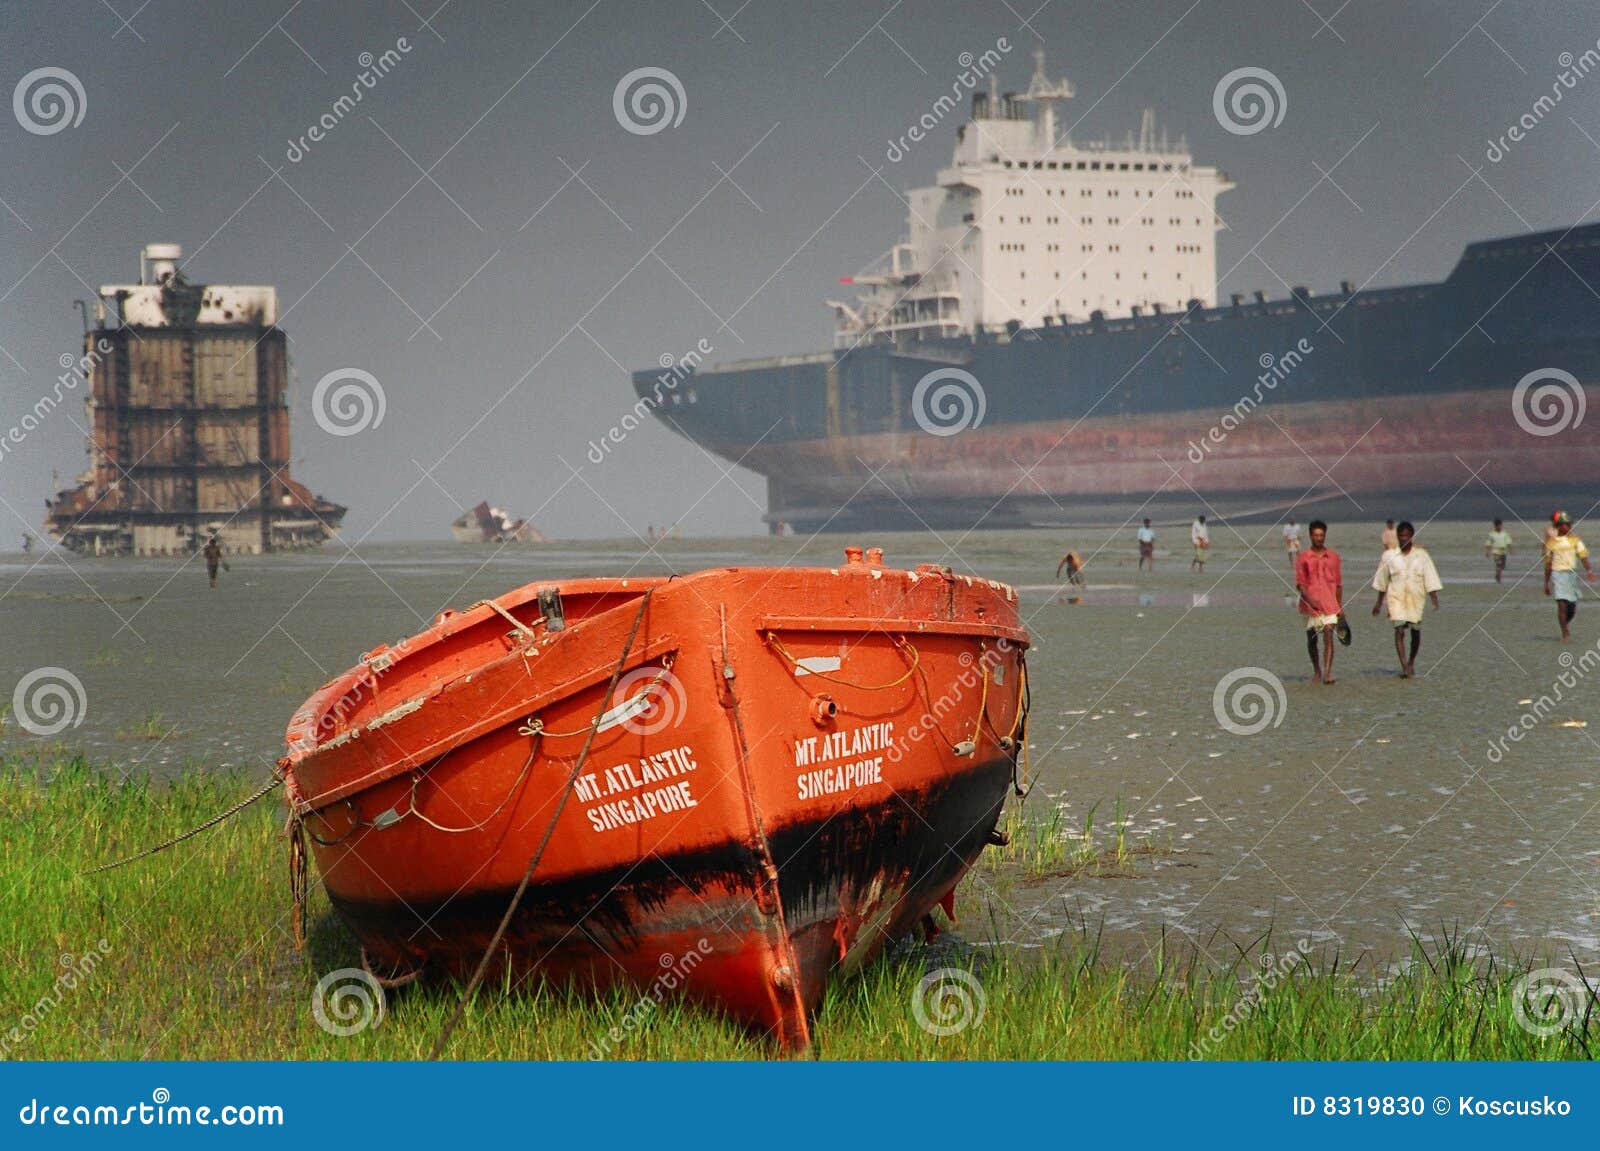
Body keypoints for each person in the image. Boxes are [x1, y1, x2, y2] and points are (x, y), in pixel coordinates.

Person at [1371, 521, 1441, 677]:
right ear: (1397, 537)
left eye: (1406, 536)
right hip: (1396, 598)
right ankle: (1405, 666)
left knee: (1415, 633)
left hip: (1416, 598)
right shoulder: (1389, 556)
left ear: (1412, 536)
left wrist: (1434, 596)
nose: (1404, 539)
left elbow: (1430, 575)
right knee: (1399, 630)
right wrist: (1378, 603)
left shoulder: (1421, 555)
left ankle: (1411, 661)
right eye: (1401, 536)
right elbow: (1382, 580)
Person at [1295, 520, 1344, 684]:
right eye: (1316, 535)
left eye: (1321, 535)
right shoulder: (1303, 558)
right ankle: (1317, 670)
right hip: (1310, 606)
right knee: (1312, 638)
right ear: (1310, 536)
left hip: (1330, 603)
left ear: (1325, 536)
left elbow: (1338, 584)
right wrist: (1310, 600)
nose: (1319, 538)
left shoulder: (1334, 557)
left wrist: (1340, 607)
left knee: (1329, 634)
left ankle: (1327, 673)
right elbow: (1300, 584)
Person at [1543, 511, 1595, 641]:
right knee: (1562, 604)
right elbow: (1548, 564)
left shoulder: (1575, 541)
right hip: (1557, 574)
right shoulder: (1551, 543)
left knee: (1572, 607)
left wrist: (1589, 571)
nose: (1568, 527)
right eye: (1565, 525)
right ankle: (1565, 633)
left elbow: (1583, 557)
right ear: (1558, 526)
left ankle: (1564, 624)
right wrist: (1546, 583)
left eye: (1569, 524)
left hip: (1571, 575)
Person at [1484, 518, 1513, 584]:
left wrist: (1511, 550)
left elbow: (1509, 542)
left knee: (1502, 566)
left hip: (1503, 552)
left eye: (1500, 525)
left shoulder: (1505, 534)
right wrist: (1488, 552)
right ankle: (1499, 579)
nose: (1499, 527)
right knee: (1498, 565)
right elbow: (1488, 543)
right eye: (1498, 525)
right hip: (1496, 552)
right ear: (1495, 526)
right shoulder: (1492, 534)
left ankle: (1497, 575)